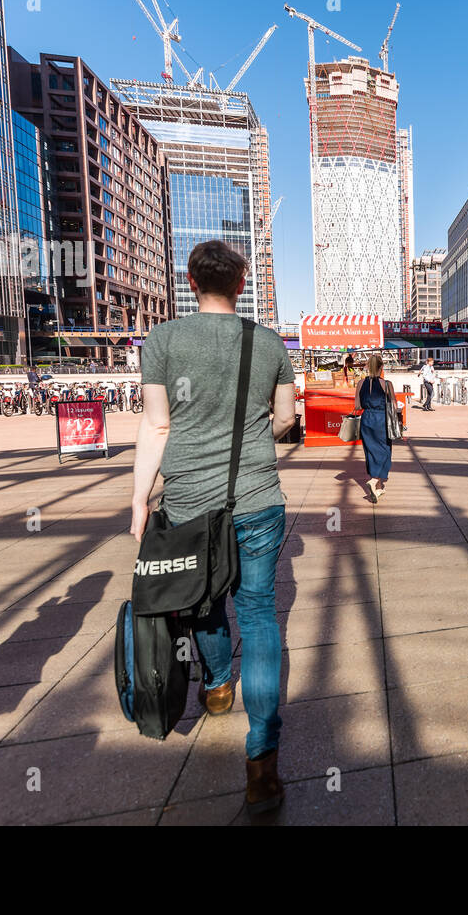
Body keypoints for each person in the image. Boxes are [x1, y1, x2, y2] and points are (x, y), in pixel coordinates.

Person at [130, 240, 297, 816]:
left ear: (190, 280)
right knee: (258, 612)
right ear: (243, 281)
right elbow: (285, 419)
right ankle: (263, 763)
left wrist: (138, 501)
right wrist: (252, 442)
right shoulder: (269, 342)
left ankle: (219, 685)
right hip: (257, 501)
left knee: (203, 605)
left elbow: (156, 426)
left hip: (187, 507)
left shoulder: (164, 340)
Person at [353, 354, 396, 502]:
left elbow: (357, 406)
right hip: (382, 420)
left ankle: (378, 488)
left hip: (367, 419)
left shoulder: (360, 383)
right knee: (385, 450)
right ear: (381, 367)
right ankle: (374, 481)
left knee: (371, 451)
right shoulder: (387, 384)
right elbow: (394, 406)